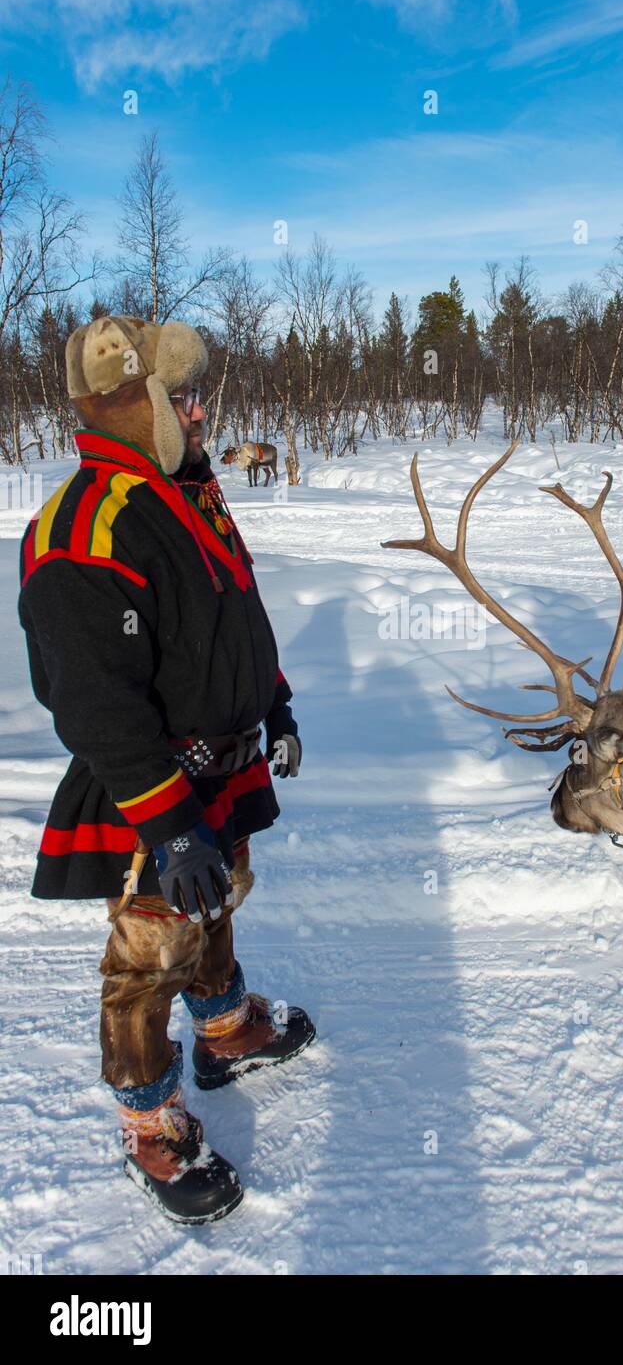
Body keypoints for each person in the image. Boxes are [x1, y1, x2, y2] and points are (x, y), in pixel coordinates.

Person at [18, 315, 314, 1225]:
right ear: (138, 406)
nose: (203, 409)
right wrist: (168, 817)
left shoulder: (190, 492)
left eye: (198, 393)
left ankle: (224, 1030)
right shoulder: (84, 527)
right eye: (184, 398)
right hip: (149, 782)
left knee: (217, 899)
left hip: (220, 765)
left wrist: (275, 704)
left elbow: (238, 619)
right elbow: (93, 703)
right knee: (148, 955)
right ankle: (150, 1125)